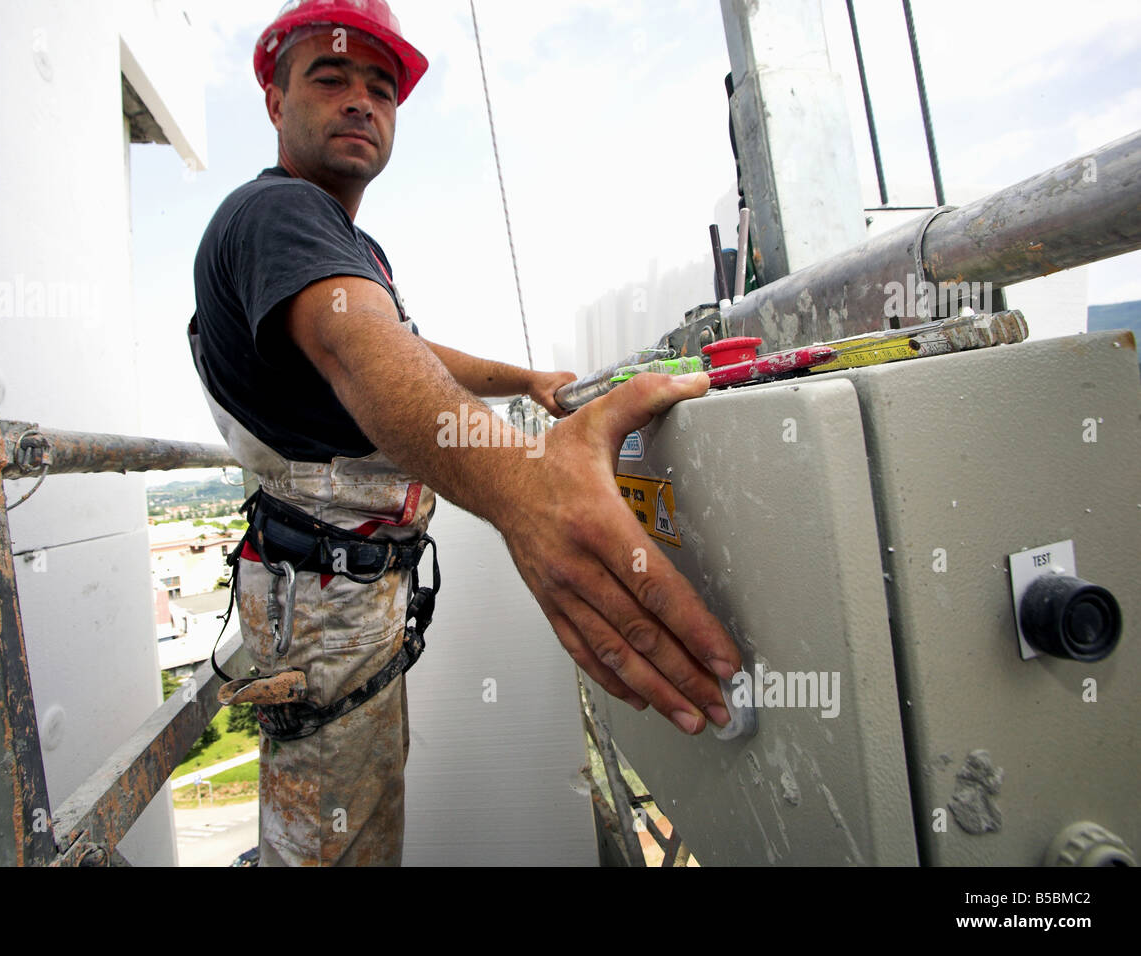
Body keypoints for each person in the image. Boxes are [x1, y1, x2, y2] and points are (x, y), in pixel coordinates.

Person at [189, 0, 741, 866]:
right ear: (273, 101)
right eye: (329, 78)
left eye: (381, 86)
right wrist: (529, 492)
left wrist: (524, 380)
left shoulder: (334, 244)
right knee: (341, 847)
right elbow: (365, 352)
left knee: (353, 821)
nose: (361, 101)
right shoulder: (280, 217)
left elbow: (406, 348)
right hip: (326, 606)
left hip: (338, 592)